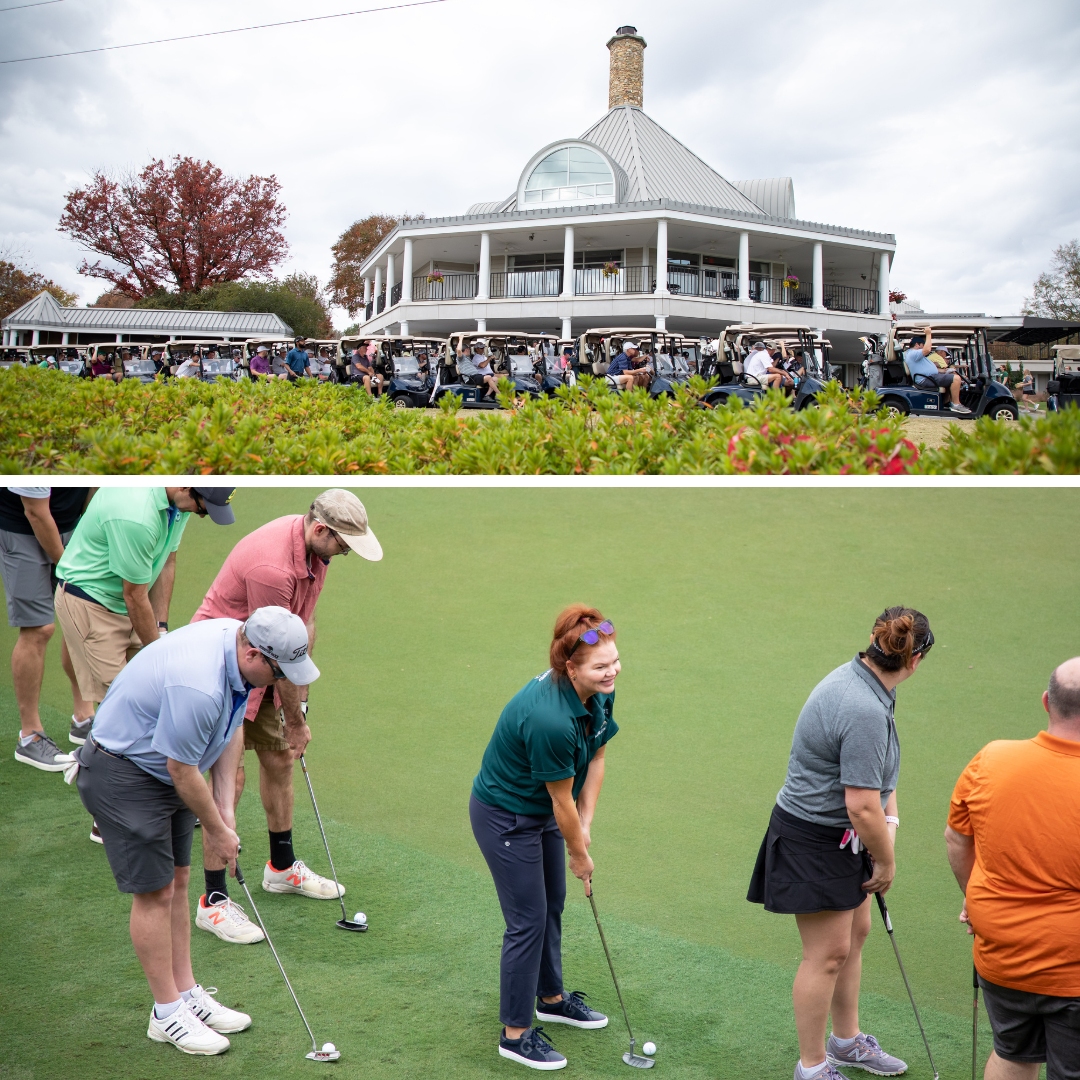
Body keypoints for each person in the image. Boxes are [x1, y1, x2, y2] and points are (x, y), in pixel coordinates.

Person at [70, 605, 319, 1055]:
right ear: (255, 653)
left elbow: (231, 731)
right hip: (124, 772)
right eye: (280, 672)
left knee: (180, 881)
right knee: (156, 892)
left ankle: (186, 994)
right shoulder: (199, 685)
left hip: (165, 768)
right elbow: (182, 769)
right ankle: (166, 1014)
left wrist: (224, 810)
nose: (283, 682)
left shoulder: (237, 654)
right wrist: (218, 830)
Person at [748, 606, 934, 1080]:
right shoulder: (863, 706)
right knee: (827, 954)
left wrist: (888, 818)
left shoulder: (864, 681)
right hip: (814, 838)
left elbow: (877, 779)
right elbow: (861, 805)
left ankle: (847, 1042)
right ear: (915, 661)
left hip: (842, 837)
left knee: (855, 936)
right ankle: (812, 1068)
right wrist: (887, 860)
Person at [189, 490, 382, 943]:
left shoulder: (316, 554)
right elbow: (273, 644)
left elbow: (303, 628)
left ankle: (280, 868)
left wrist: (301, 703)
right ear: (320, 530)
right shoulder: (274, 570)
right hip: (221, 673)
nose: (346, 553)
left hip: (268, 666)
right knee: (226, 782)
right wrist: (295, 719)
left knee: (278, 759)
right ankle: (213, 903)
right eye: (344, 544)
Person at [470, 605, 620, 1071]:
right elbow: (560, 801)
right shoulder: (549, 719)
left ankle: (550, 998)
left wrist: (586, 826)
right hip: (506, 816)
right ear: (569, 668)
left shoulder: (597, 690)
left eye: (615, 661)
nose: (612, 671)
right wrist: (579, 853)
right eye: (600, 666)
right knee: (527, 920)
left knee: (552, 902)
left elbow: (594, 758)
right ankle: (514, 1034)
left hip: (548, 810)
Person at [54, 486, 236, 841]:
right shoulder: (136, 514)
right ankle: (106, 814)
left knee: (151, 701)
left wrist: (163, 628)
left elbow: (167, 561)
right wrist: (161, 657)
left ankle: (154, 795)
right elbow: (133, 593)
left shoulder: (178, 506)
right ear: (186, 488)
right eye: (203, 507)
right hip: (90, 600)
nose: (201, 515)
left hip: (130, 602)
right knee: (123, 709)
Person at [945, 657, 1080, 1080]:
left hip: (1001, 953)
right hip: (1071, 969)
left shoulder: (991, 759)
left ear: (1046, 702)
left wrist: (973, 897)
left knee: (1013, 1055)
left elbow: (956, 838)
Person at [1, 486, 96, 770]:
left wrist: (87, 532)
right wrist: (68, 566)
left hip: (72, 524)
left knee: (80, 613)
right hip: (23, 527)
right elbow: (35, 511)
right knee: (39, 628)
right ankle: (30, 736)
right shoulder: (35, 455)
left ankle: (84, 718)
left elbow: (93, 488)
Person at [903, 327, 971, 413]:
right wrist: (928, 334)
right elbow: (927, 350)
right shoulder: (913, 353)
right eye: (922, 345)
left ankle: (947, 403)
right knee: (956, 379)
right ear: (917, 344)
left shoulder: (915, 355)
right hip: (925, 379)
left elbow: (928, 367)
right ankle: (956, 405)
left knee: (954, 377)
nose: (924, 347)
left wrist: (945, 371)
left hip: (929, 377)